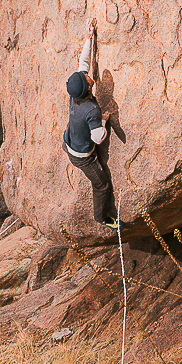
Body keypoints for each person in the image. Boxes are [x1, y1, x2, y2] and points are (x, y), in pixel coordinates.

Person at [64, 24, 116, 226]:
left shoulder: (75, 94)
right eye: (86, 78)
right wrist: (103, 120)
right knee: (102, 185)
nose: (87, 74)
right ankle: (101, 218)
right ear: (87, 88)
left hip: (69, 141)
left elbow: (83, 63)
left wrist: (88, 38)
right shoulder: (91, 110)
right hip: (82, 156)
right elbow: (98, 138)